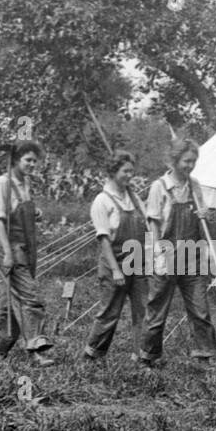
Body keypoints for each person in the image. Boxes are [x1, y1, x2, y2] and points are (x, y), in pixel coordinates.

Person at [139, 138, 216, 369]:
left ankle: (204, 356)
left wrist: (205, 214)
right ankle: (148, 356)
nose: (190, 166)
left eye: (193, 161)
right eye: (186, 161)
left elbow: (201, 218)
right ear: (174, 161)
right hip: (166, 253)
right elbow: (152, 224)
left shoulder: (194, 185)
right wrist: (158, 255)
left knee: (200, 309)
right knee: (157, 309)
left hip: (192, 255)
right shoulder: (160, 187)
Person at [0, 140, 55, 367]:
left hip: (28, 246)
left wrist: (34, 212)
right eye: (28, 160)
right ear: (15, 160)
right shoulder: (2, 183)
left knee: (12, 299)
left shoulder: (24, 182)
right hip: (10, 246)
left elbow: (19, 210)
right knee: (30, 297)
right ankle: (35, 350)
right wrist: (7, 253)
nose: (32, 165)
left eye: (35, 161)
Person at [82, 152, 147, 361]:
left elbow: (146, 225)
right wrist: (116, 270)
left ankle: (140, 355)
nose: (130, 175)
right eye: (125, 171)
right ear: (113, 172)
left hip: (138, 263)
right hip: (115, 264)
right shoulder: (102, 201)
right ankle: (92, 355)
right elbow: (103, 240)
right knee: (110, 313)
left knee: (143, 311)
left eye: (131, 171)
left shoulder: (134, 197)